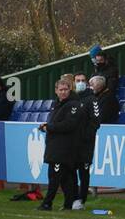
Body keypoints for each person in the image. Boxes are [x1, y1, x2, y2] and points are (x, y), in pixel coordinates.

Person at [37, 77, 87, 211]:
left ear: (70, 90)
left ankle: (47, 203)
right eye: (61, 90)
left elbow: (69, 125)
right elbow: (56, 122)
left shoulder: (74, 105)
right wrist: (47, 126)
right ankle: (68, 204)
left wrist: (50, 127)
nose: (64, 92)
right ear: (56, 91)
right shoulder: (57, 104)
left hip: (64, 148)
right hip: (55, 147)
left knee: (55, 177)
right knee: (65, 179)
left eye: (66, 89)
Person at [77, 74, 119, 201]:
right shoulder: (88, 98)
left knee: (84, 169)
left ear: (99, 86)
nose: (89, 87)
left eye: (91, 84)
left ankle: (81, 198)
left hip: (91, 138)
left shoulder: (107, 98)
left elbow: (101, 117)